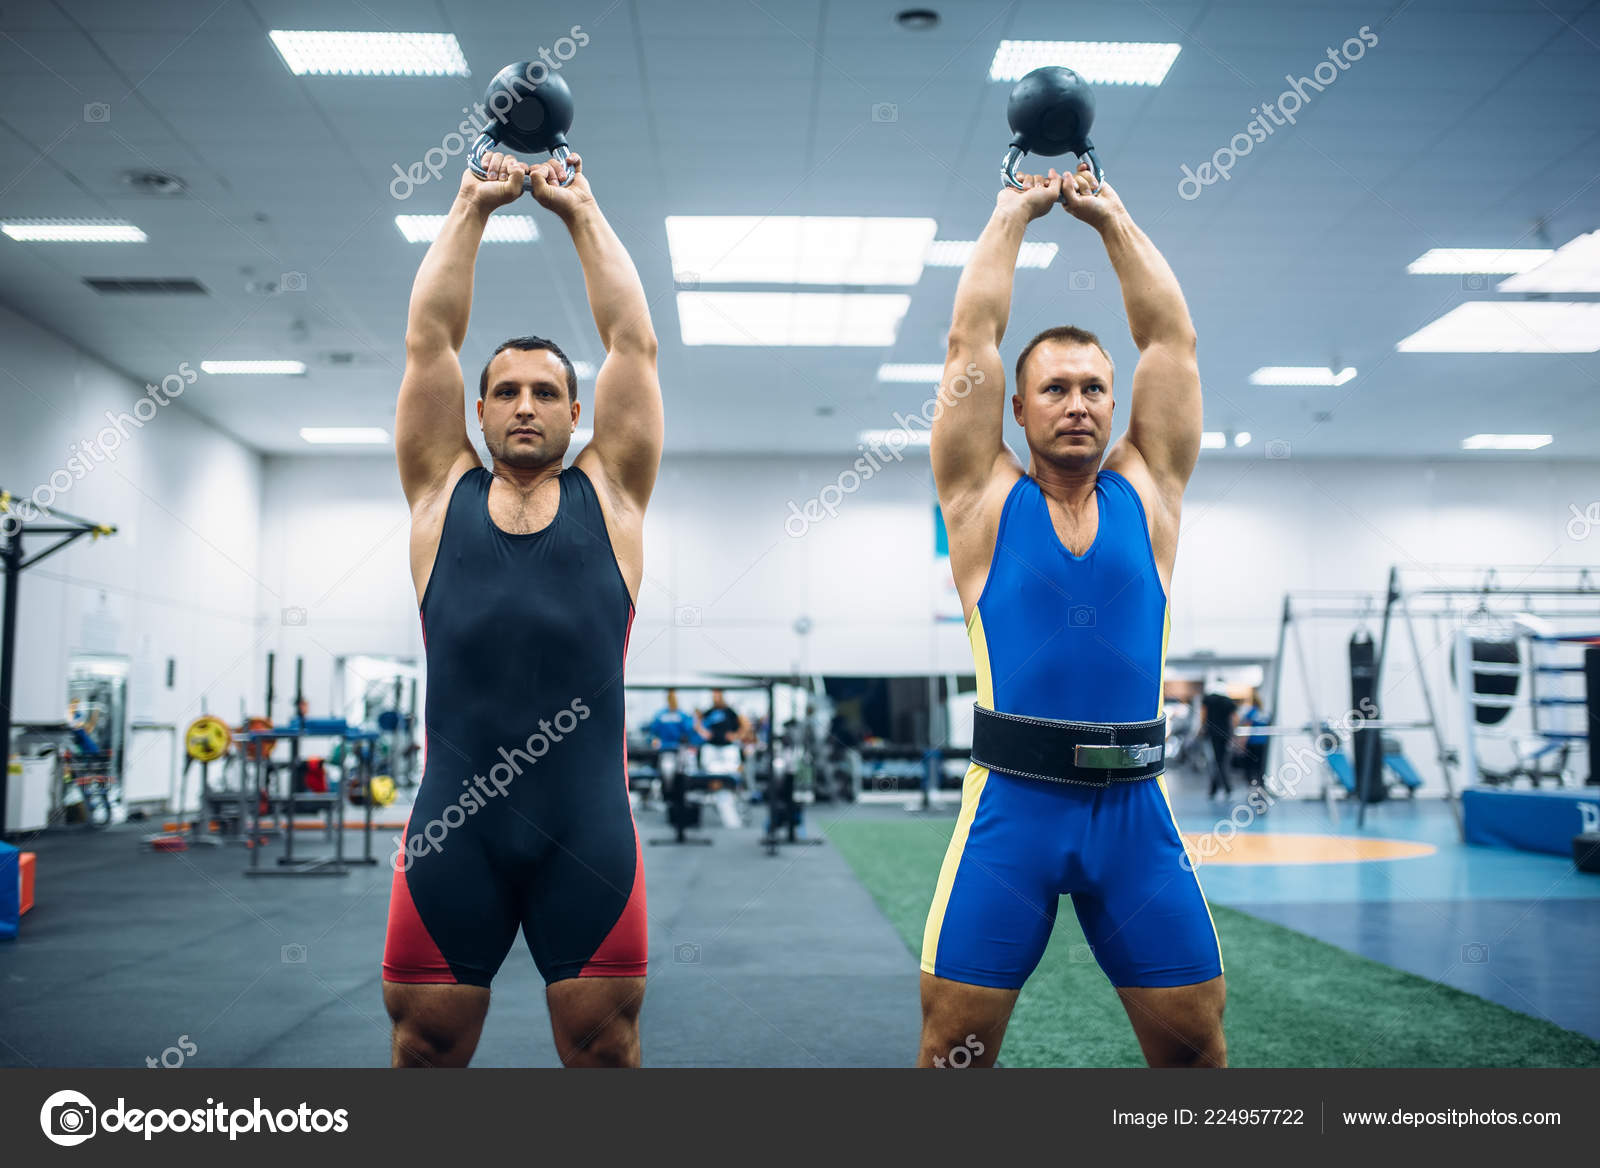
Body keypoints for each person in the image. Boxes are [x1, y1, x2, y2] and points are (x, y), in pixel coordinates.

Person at [920, 162, 1223, 1068]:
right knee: (955, 1047)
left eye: (1094, 387)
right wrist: (1012, 210)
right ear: (1016, 408)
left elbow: (1170, 341)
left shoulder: (1150, 489)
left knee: (1194, 1045)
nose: (1078, 404)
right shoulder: (981, 500)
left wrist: (1111, 216)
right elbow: (971, 339)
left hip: (1135, 816)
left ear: (1115, 404)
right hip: (1012, 810)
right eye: (1055, 389)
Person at [382, 146, 663, 1068]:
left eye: (547, 392)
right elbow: (429, 340)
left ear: (579, 412)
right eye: (506, 391)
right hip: (452, 830)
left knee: (603, 1052)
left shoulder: (613, 496)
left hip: (587, 833)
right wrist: (470, 204)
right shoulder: (439, 493)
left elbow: (633, 344)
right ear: (480, 410)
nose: (526, 406)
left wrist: (581, 210)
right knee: (424, 1051)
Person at [1200, 685, 1239, 801]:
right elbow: (1235, 718)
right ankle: (1217, 789)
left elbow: (1203, 715)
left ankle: (1222, 789)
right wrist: (1233, 733)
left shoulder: (1208, 700)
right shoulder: (1228, 701)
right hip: (1225, 734)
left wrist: (1202, 728)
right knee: (1221, 761)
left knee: (1216, 761)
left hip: (1212, 734)